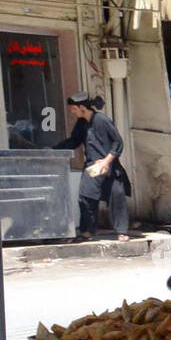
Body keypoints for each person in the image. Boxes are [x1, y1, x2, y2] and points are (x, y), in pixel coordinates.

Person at [55, 93, 131, 241]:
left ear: (82, 107)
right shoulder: (81, 123)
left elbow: (118, 142)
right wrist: (54, 149)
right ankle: (87, 231)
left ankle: (122, 232)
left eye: (74, 109)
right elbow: (74, 141)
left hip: (109, 165)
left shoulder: (101, 120)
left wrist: (106, 161)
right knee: (85, 197)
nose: (72, 112)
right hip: (92, 166)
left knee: (116, 197)